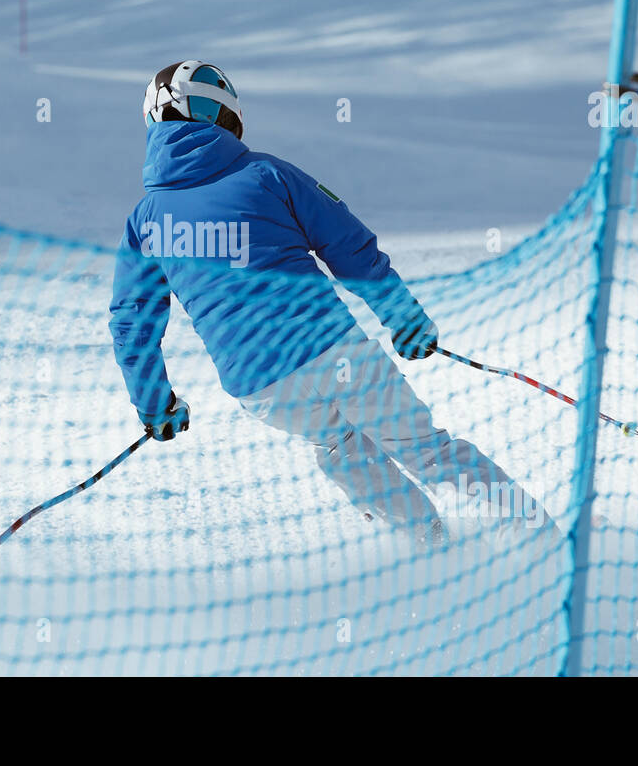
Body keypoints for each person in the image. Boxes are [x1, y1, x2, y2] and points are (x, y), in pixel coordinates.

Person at [108, 60, 548, 546]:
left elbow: (133, 325)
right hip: (333, 351)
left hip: (261, 389)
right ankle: (535, 538)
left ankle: (430, 550)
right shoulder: (266, 174)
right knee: (425, 448)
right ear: (222, 115)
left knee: (340, 444)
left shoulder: (146, 220)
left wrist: (156, 405)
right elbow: (349, 248)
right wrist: (404, 320)